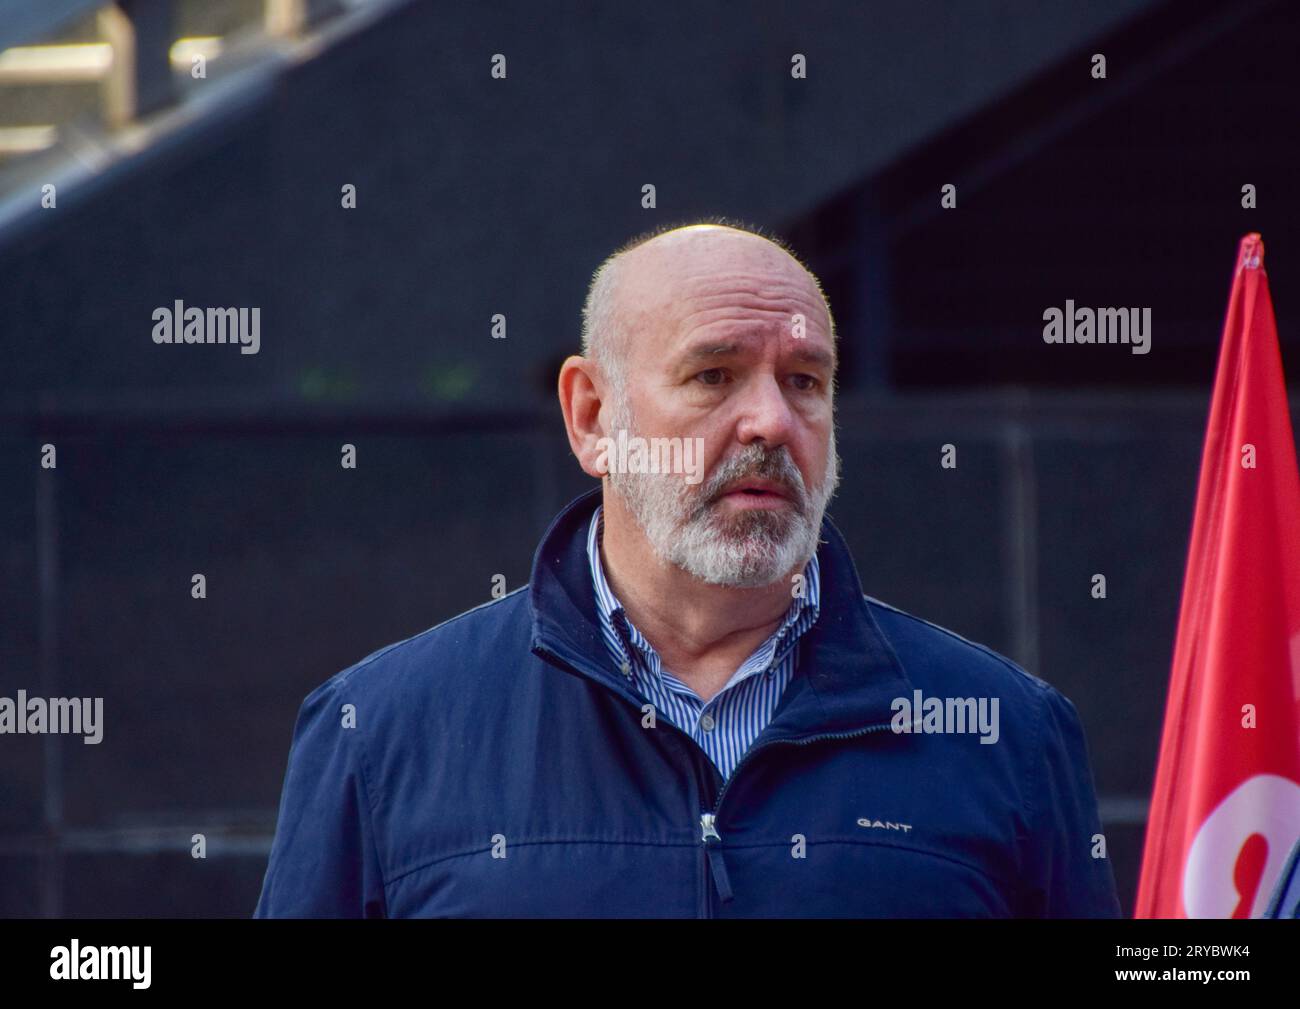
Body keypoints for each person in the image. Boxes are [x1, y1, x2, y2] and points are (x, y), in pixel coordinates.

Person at [253, 220, 1121, 917]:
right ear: (593, 416)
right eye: (714, 375)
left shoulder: (1009, 731)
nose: (772, 423)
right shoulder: (381, 730)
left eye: (806, 382)